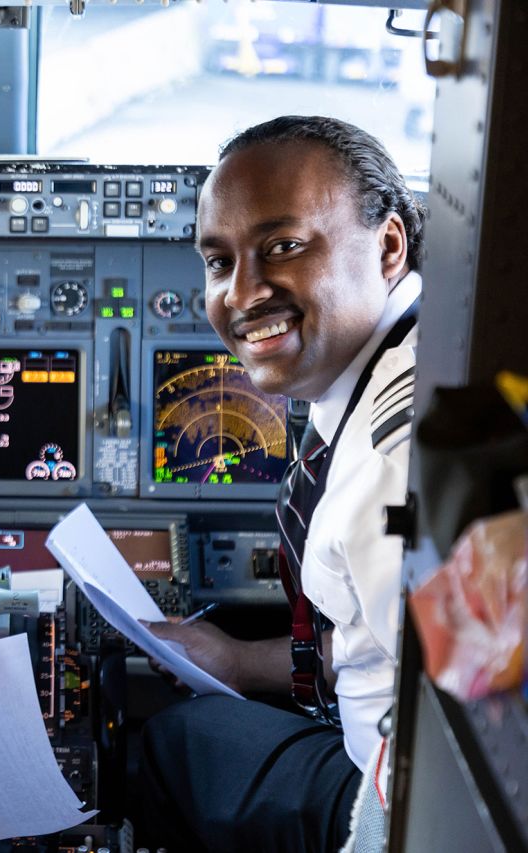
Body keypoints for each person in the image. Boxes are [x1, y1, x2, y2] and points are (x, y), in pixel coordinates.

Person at [138, 115, 426, 852]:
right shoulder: (400, 363)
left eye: (283, 246)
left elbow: (470, 729)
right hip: (386, 759)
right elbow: (382, 640)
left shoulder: (391, 468)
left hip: (393, 814)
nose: (242, 293)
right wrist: (239, 662)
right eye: (218, 261)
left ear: (388, 246)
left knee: (170, 738)